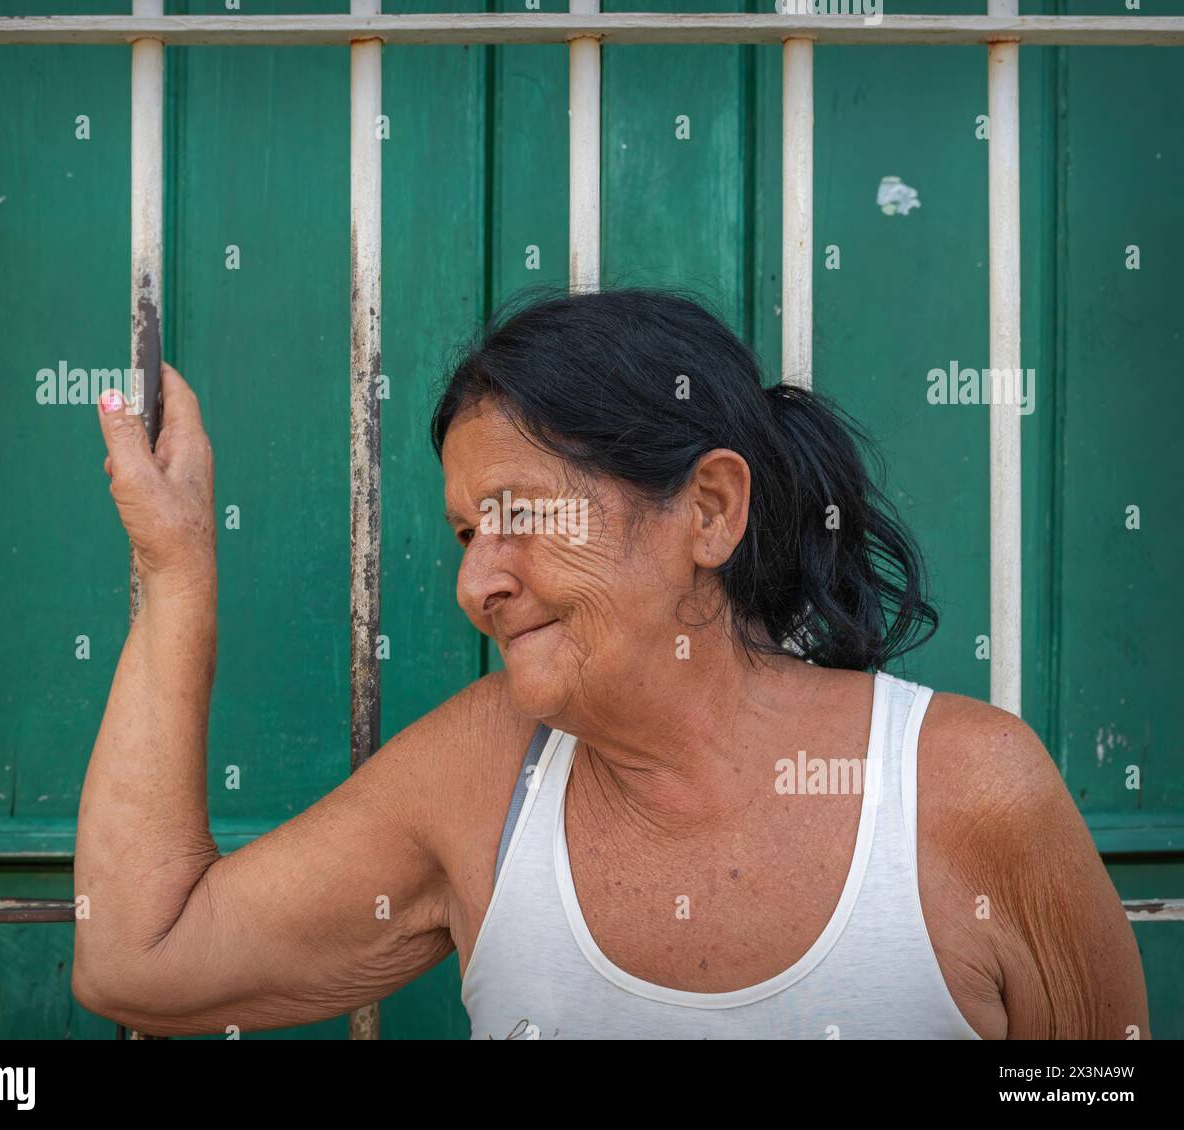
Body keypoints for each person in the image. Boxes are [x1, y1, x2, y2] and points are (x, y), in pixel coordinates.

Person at [73, 287, 1150, 1039]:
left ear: (710, 510)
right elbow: (137, 954)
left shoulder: (966, 787)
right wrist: (175, 570)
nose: (474, 584)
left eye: (519, 514)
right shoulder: (485, 775)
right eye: (464, 533)